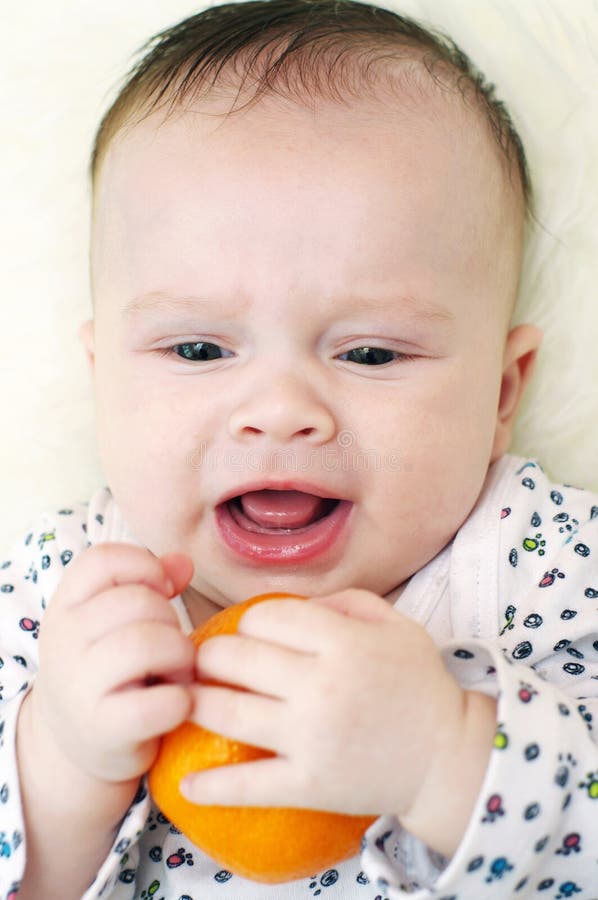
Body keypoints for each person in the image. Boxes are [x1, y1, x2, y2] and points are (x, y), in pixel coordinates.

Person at [1, 0, 597, 897]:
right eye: (198, 350)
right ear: (101, 380)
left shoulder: (538, 559)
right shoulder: (61, 590)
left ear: (502, 392)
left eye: (370, 353)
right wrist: (60, 765)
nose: (279, 413)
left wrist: (447, 757)